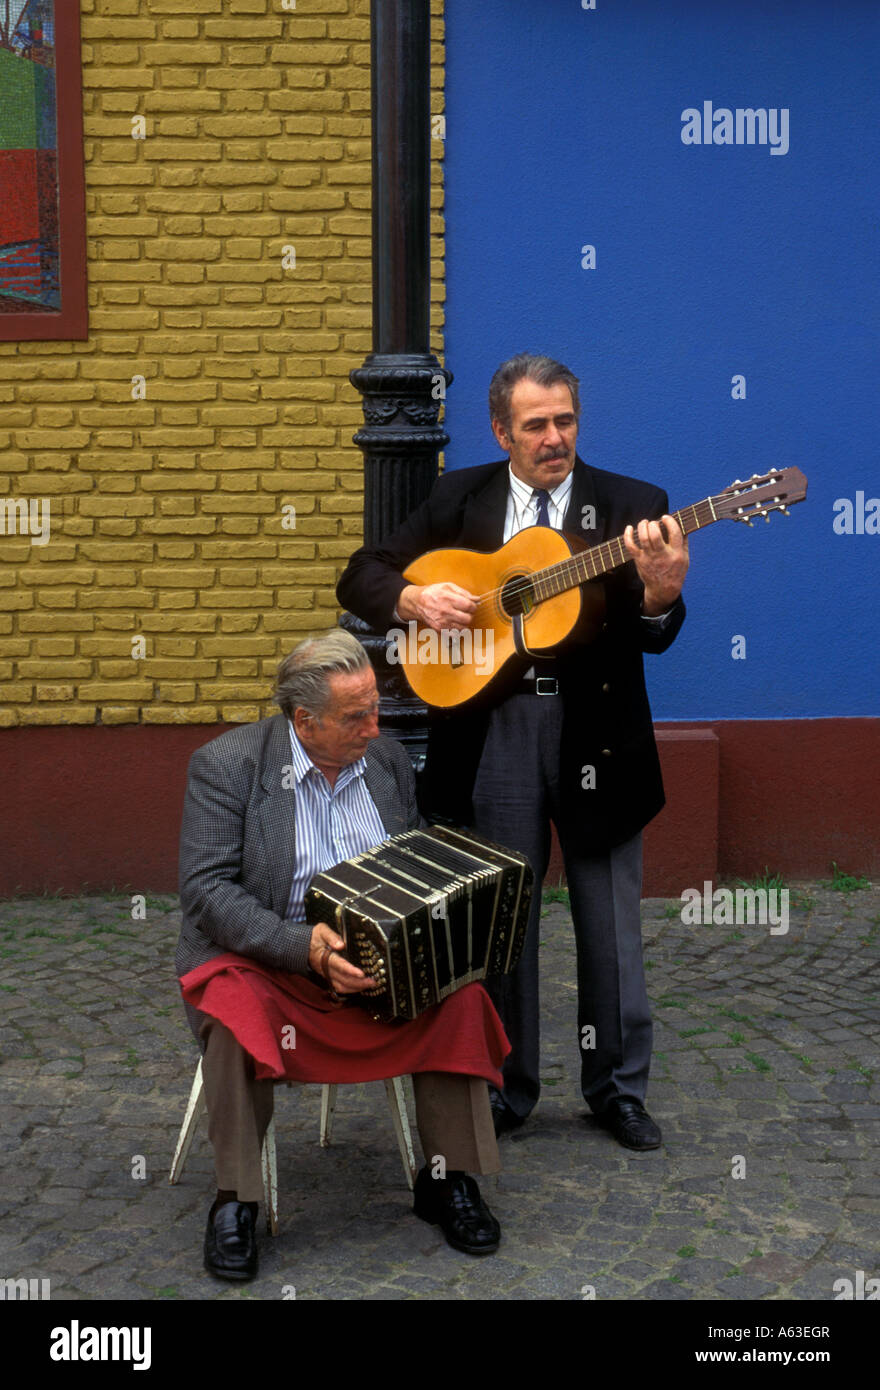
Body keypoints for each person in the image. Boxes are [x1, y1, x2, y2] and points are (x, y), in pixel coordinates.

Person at [337, 353, 689, 1151]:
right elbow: (361, 574)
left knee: (609, 922)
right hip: (493, 731)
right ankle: (504, 1084)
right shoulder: (460, 498)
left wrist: (662, 595)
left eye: (565, 420)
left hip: (597, 731)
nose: (554, 437)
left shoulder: (635, 507)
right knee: (503, 918)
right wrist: (413, 597)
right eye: (536, 424)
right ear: (502, 431)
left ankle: (618, 1090)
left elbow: (654, 632)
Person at [176, 630, 508, 1282]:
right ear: (305, 720)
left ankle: (448, 1179)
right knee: (233, 1004)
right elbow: (206, 893)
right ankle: (236, 1199)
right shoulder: (227, 767)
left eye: (376, 708)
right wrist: (303, 947)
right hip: (270, 957)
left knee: (460, 992)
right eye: (357, 716)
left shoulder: (382, 761)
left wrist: (422, 928)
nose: (376, 726)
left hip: (374, 961)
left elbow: (410, 859)